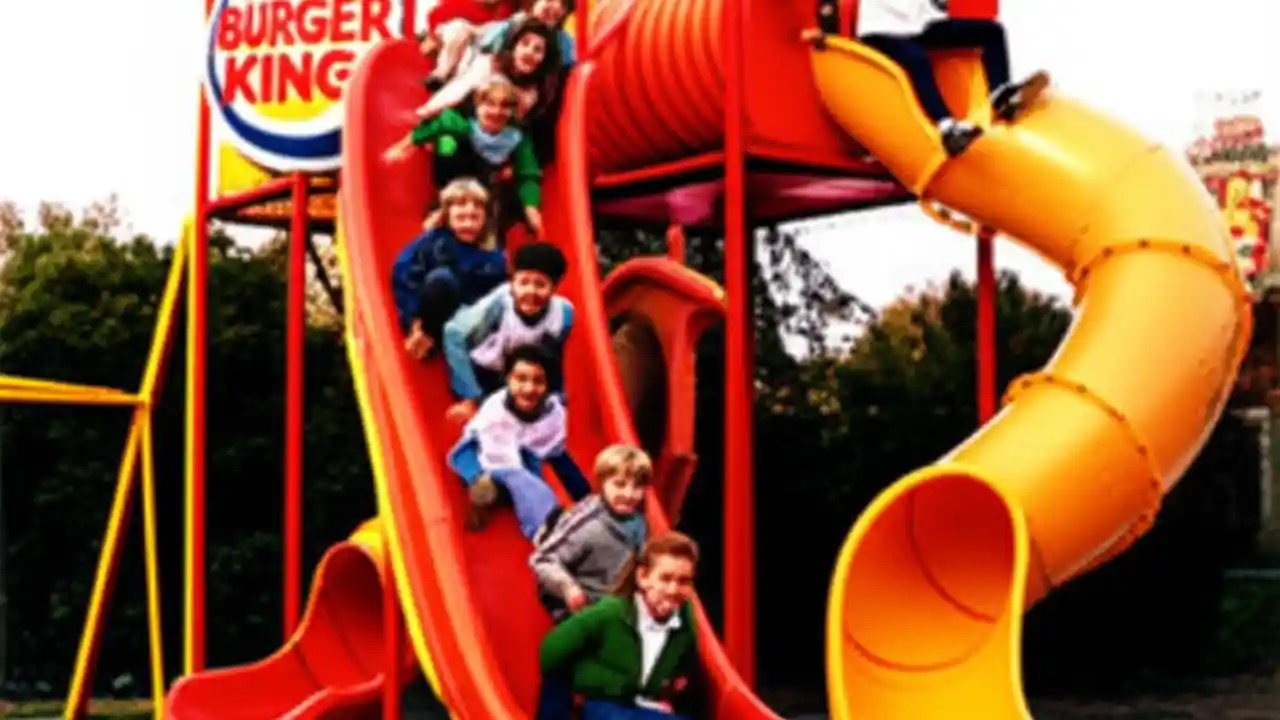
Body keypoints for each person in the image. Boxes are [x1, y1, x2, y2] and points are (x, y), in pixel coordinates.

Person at [805, 0, 1049, 157]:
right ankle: (947, 130)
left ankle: (1000, 97)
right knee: (917, 59)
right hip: (880, 30)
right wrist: (827, 30)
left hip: (920, 26)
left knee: (992, 32)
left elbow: (939, 5)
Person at [529, 444, 652, 720]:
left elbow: (642, 559)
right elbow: (543, 559)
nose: (628, 494)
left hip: (613, 607)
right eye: (619, 484)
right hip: (576, 606)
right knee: (567, 656)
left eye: (637, 487)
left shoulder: (637, 521)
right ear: (601, 483)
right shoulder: (588, 522)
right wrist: (568, 587)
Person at [539, 532, 705, 719]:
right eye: (665, 579)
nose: (673, 590)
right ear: (643, 577)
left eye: (683, 581)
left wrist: (668, 688)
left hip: (642, 703)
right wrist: (570, 694)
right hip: (603, 702)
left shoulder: (683, 619)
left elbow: (685, 662)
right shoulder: (611, 612)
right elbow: (551, 651)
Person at [446, 343, 590, 536]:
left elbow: (557, 456)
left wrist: (584, 497)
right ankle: (481, 496)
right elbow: (509, 470)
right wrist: (542, 510)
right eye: (521, 379)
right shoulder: (497, 413)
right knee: (496, 485)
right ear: (508, 379)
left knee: (541, 474)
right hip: (487, 462)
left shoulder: (553, 414)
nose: (529, 389)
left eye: (538, 381)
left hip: (522, 457)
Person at [384, 76, 544, 238]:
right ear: (478, 106)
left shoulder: (516, 136)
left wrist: (530, 207)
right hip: (453, 171)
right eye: (489, 104)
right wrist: (403, 145)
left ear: (512, 111)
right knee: (449, 139)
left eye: (504, 107)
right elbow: (430, 129)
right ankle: (444, 203)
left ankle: (483, 225)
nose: (496, 112)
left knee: (499, 191)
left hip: (485, 179)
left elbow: (527, 172)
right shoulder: (458, 122)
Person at [442, 242, 572, 423]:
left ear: (554, 289)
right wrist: (470, 395)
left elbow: (553, 357)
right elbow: (453, 334)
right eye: (524, 283)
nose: (531, 292)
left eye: (540, 285)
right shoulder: (500, 304)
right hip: (485, 369)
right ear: (512, 283)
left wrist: (556, 395)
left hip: (518, 375)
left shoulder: (563, 314)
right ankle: (472, 400)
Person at [391, 178, 507, 360]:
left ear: (485, 219)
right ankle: (423, 337)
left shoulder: (491, 255)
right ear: (447, 216)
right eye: (461, 218)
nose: (468, 225)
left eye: (475, 218)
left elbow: (492, 297)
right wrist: (413, 320)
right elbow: (405, 274)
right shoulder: (435, 242)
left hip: (466, 322)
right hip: (431, 315)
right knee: (441, 281)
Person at [416, 16, 561, 125]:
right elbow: (457, 90)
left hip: (480, 110)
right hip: (465, 68)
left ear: (544, 59)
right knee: (457, 30)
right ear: (514, 47)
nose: (529, 52)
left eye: (538, 50)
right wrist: (428, 111)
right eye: (525, 44)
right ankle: (435, 52)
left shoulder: (533, 91)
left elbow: (510, 124)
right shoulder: (490, 64)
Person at [420, 0, 519, 89]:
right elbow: (435, 17)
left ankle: (452, 84)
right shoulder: (460, 3)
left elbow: (498, 30)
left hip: (479, 48)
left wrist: (472, 30)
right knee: (458, 29)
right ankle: (441, 75)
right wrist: (433, 37)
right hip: (453, 41)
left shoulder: (506, 9)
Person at [477, 0, 576, 70]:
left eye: (564, 4)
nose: (557, 5)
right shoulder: (516, 23)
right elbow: (486, 45)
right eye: (550, 0)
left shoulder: (562, 42)